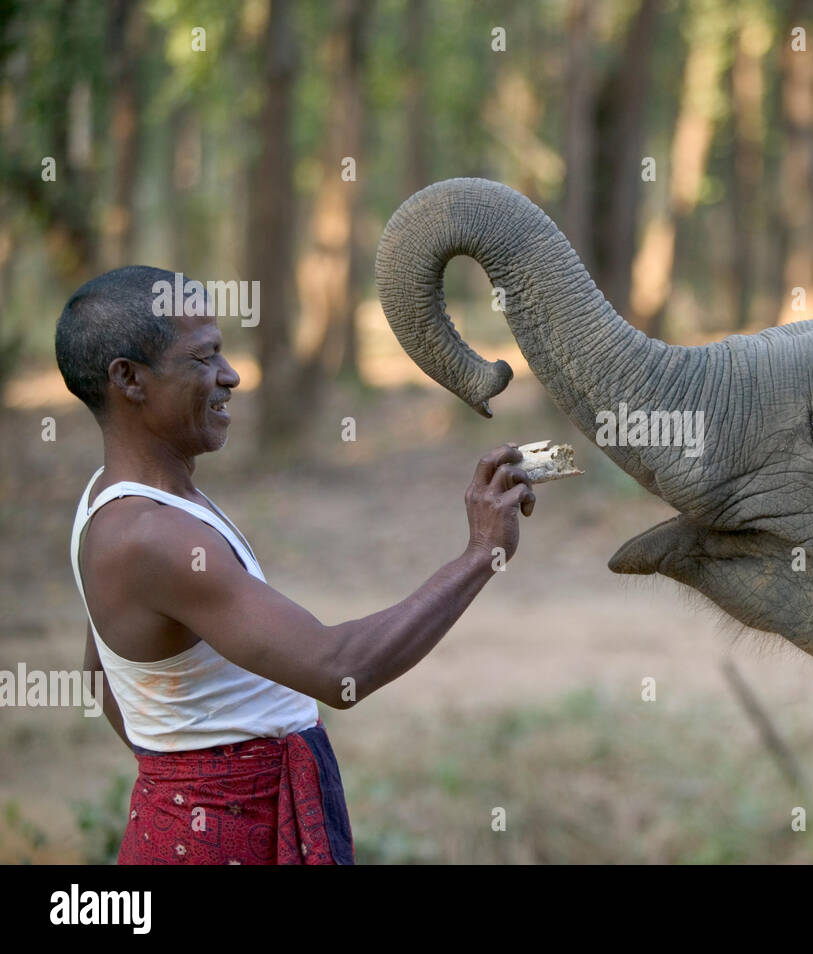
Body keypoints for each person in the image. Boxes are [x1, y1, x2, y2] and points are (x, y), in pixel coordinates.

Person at [55, 265, 536, 865]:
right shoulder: (154, 536)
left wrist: (177, 772)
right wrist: (479, 554)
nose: (229, 376)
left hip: (186, 825)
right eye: (203, 359)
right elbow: (341, 670)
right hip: (221, 837)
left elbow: (100, 672)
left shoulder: (114, 501)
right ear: (129, 380)